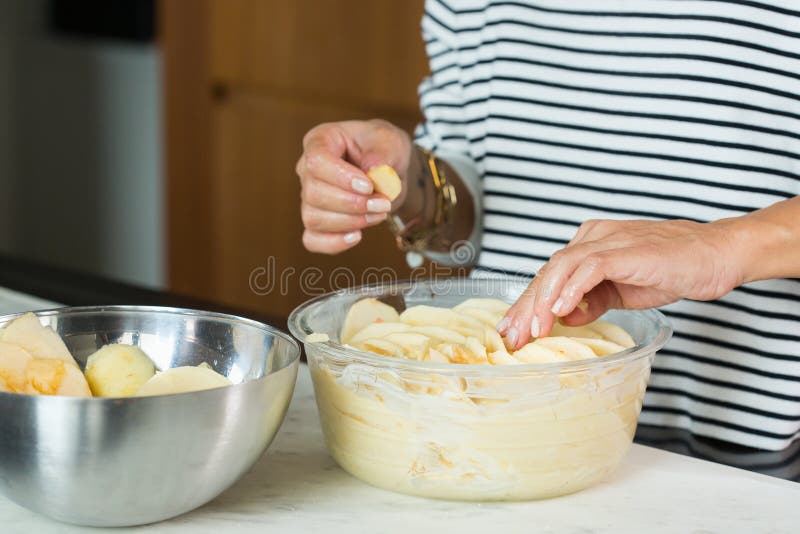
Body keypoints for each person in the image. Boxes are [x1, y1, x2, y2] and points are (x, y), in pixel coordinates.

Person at [296, 0, 800, 451]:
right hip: (489, 417)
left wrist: (723, 248)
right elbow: (467, 210)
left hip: (739, 436)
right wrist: (411, 182)